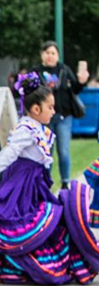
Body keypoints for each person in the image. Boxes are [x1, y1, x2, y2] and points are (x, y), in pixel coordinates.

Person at [0, 72, 99, 285]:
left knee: (45, 220)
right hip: (21, 185)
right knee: (21, 220)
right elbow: (10, 152)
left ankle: (34, 259)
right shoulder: (26, 129)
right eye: (50, 107)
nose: (54, 111)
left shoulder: (36, 129)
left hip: (34, 183)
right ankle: (23, 262)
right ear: (36, 109)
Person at [31, 41, 90, 189]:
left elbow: (75, 89)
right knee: (46, 152)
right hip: (44, 119)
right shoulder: (36, 71)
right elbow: (27, 91)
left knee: (63, 150)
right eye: (47, 52)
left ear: (57, 56)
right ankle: (45, 182)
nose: (50, 56)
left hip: (63, 116)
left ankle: (65, 182)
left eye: (53, 53)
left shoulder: (64, 69)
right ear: (42, 54)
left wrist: (82, 81)